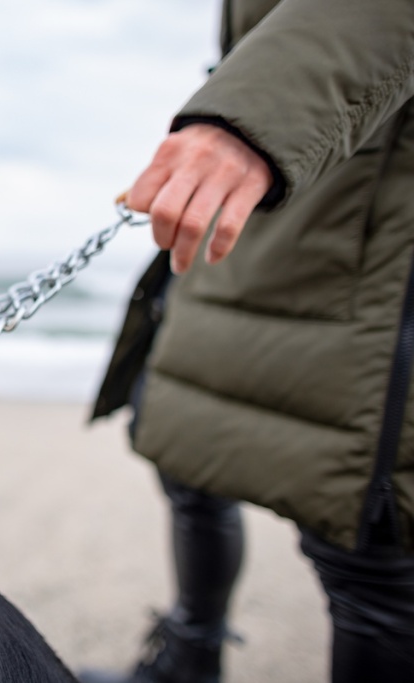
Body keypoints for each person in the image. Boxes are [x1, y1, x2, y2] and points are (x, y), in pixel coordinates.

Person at [85, 1, 414, 682]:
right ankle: (189, 657)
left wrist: (251, 119)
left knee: (361, 542)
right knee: (190, 453)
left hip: (369, 230)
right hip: (257, 214)